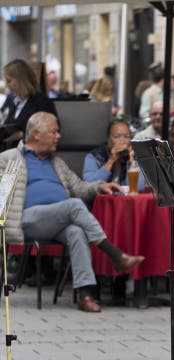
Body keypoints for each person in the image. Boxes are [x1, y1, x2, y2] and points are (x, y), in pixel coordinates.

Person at [0, 112, 145, 312]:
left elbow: (79, 188)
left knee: (76, 232)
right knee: (74, 206)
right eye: (54, 132)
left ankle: (85, 295)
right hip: (26, 219)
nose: (58, 136)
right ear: (36, 134)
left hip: (57, 219)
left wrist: (100, 186)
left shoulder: (56, 163)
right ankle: (116, 255)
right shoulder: (9, 159)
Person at [1, 59, 57, 151]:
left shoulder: (42, 103)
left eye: (9, 81)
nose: (7, 85)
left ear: (20, 80)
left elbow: (50, 134)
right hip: (11, 159)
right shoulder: (15, 103)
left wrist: (22, 135)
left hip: (32, 158)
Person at [83, 119, 142, 191]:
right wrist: (111, 160)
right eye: (117, 136)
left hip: (125, 200)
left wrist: (131, 160)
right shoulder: (94, 157)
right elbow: (89, 185)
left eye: (127, 137)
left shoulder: (135, 157)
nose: (122, 141)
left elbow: (137, 188)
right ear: (108, 139)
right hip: (102, 200)